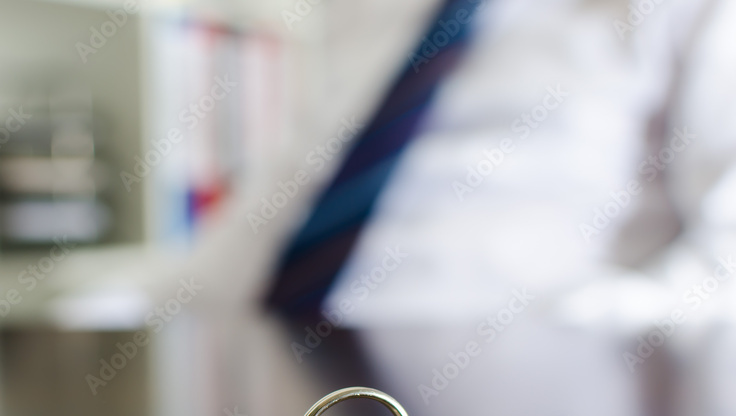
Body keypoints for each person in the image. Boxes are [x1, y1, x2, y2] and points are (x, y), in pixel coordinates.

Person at [182, 0, 736, 327]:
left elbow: (721, 266)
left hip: (512, 396)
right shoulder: (380, 14)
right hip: (262, 351)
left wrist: (571, 329)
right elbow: (291, 183)